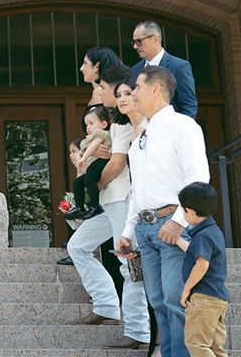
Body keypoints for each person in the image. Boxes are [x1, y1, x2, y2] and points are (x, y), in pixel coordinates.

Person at [117, 66, 210, 357]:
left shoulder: (183, 126)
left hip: (172, 222)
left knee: (175, 298)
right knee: (157, 300)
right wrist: (127, 233)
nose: (132, 96)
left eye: (137, 90)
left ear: (155, 90)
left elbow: (198, 178)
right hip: (144, 230)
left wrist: (179, 221)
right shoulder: (141, 135)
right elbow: (138, 191)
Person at [91, 68, 153, 351]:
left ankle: (143, 332)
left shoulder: (153, 127)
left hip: (151, 208)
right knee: (131, 266)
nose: (122, 98)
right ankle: (139, 331)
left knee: (134, 268)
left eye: (128, 93)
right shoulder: (125, 128)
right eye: (119, 95)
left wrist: (95, 185)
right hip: (133, 206)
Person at [176, 182, 230, 357]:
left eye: (183, 210)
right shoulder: (213, 231)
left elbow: (202, 264)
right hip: (218, 298)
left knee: (196, 343)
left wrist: (186, 289)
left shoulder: (202, 236)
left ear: (190, 211)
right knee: (215, 348)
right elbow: (196, 251)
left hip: (203, 298)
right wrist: (176, 239)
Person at [129, 21, 198, 118]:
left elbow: (189, 105)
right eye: (133, 42)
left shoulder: (179, 66)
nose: (135, 46)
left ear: (155, 39)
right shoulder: (135, 70)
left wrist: (179, 130)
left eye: (139, 41)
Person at [62, 107, 112, 220]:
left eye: (91, 123)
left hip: (103, 161)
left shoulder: (101, 134)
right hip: (97, 161)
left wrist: (84, 157)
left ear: (104, 124)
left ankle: (95, 206)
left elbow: (94, 145)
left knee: (89, 179)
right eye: (86, 124)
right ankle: (79, 207)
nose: (88, 127)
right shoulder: (90, 137)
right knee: (77, 182)